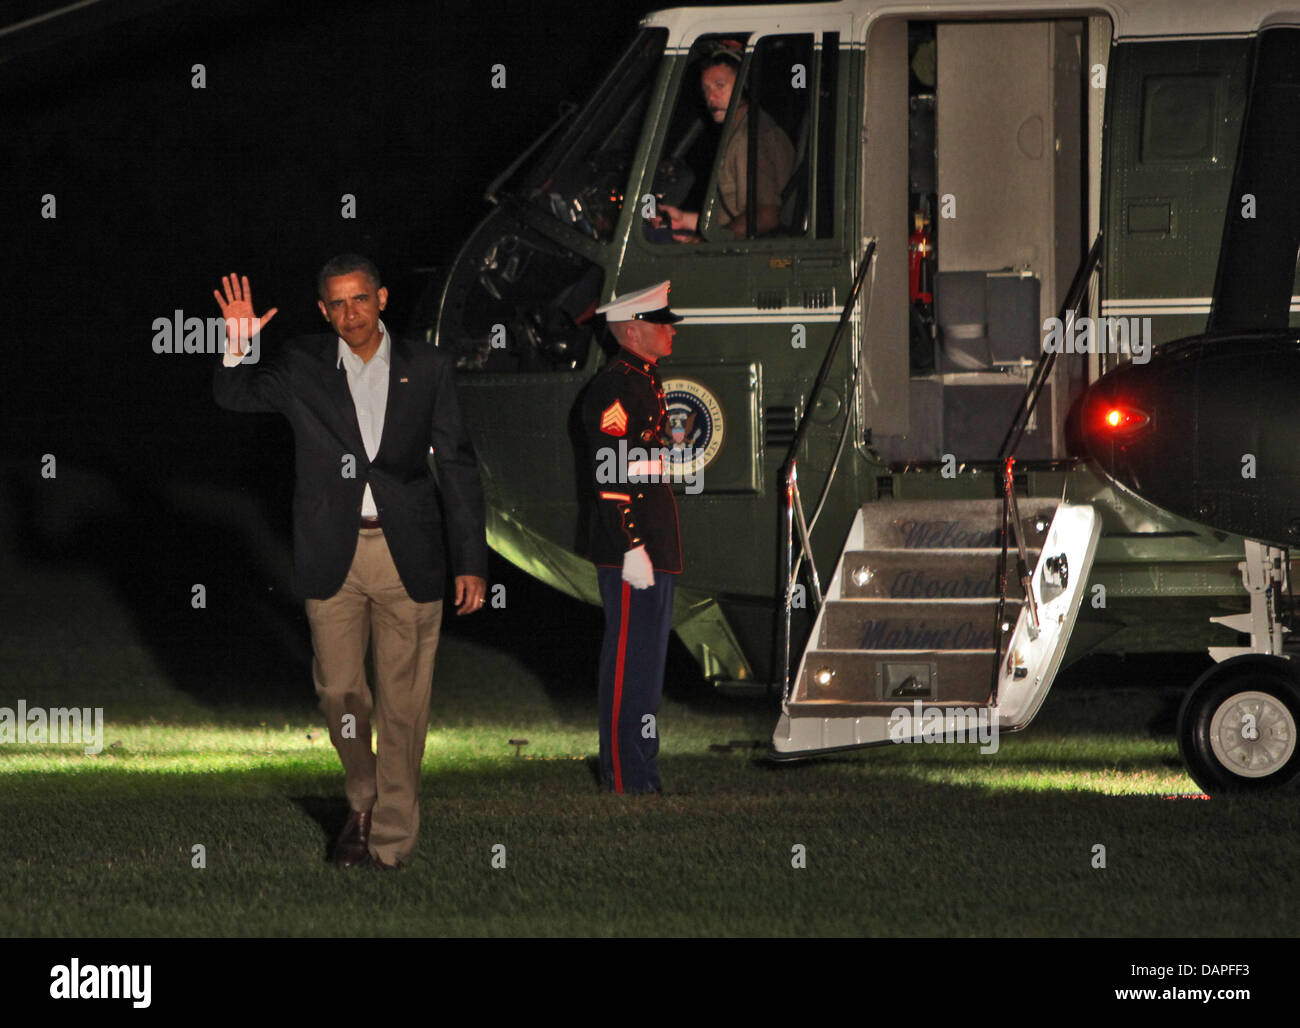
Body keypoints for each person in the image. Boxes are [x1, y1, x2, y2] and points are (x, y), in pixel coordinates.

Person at [212, 255, 488, 869]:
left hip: (408, 553)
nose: (349, 313)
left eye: (359, 299)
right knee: (339, 693)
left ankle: (387, 840)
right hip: (329, 550)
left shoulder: (429, 366)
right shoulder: (304, 364)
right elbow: (236, 395)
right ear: (322, 310)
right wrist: (237, 345)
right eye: (336, 304)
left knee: (403, 705)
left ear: (382, 297)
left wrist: (471, 559)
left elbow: (460, 467)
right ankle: (361, 793)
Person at [581, 281, 684, 794]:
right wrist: (631, 545)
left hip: (652, 546)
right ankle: (625, 775)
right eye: (660, 323)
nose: (670, 330)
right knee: (629, 665)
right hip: (634, 549)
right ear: (630, 330)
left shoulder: (645, 380)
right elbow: (610, 473)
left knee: (647, 666)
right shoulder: (616, 386)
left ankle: (641, 770)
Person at [656, 46, 795, 240]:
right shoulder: (742, 130)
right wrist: (686, 220)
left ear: (744, 85)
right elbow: (735, 214)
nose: (711, 98)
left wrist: (703, 246)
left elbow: (766, 216)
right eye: (706, 90)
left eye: (720, 86)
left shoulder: (750, 137)